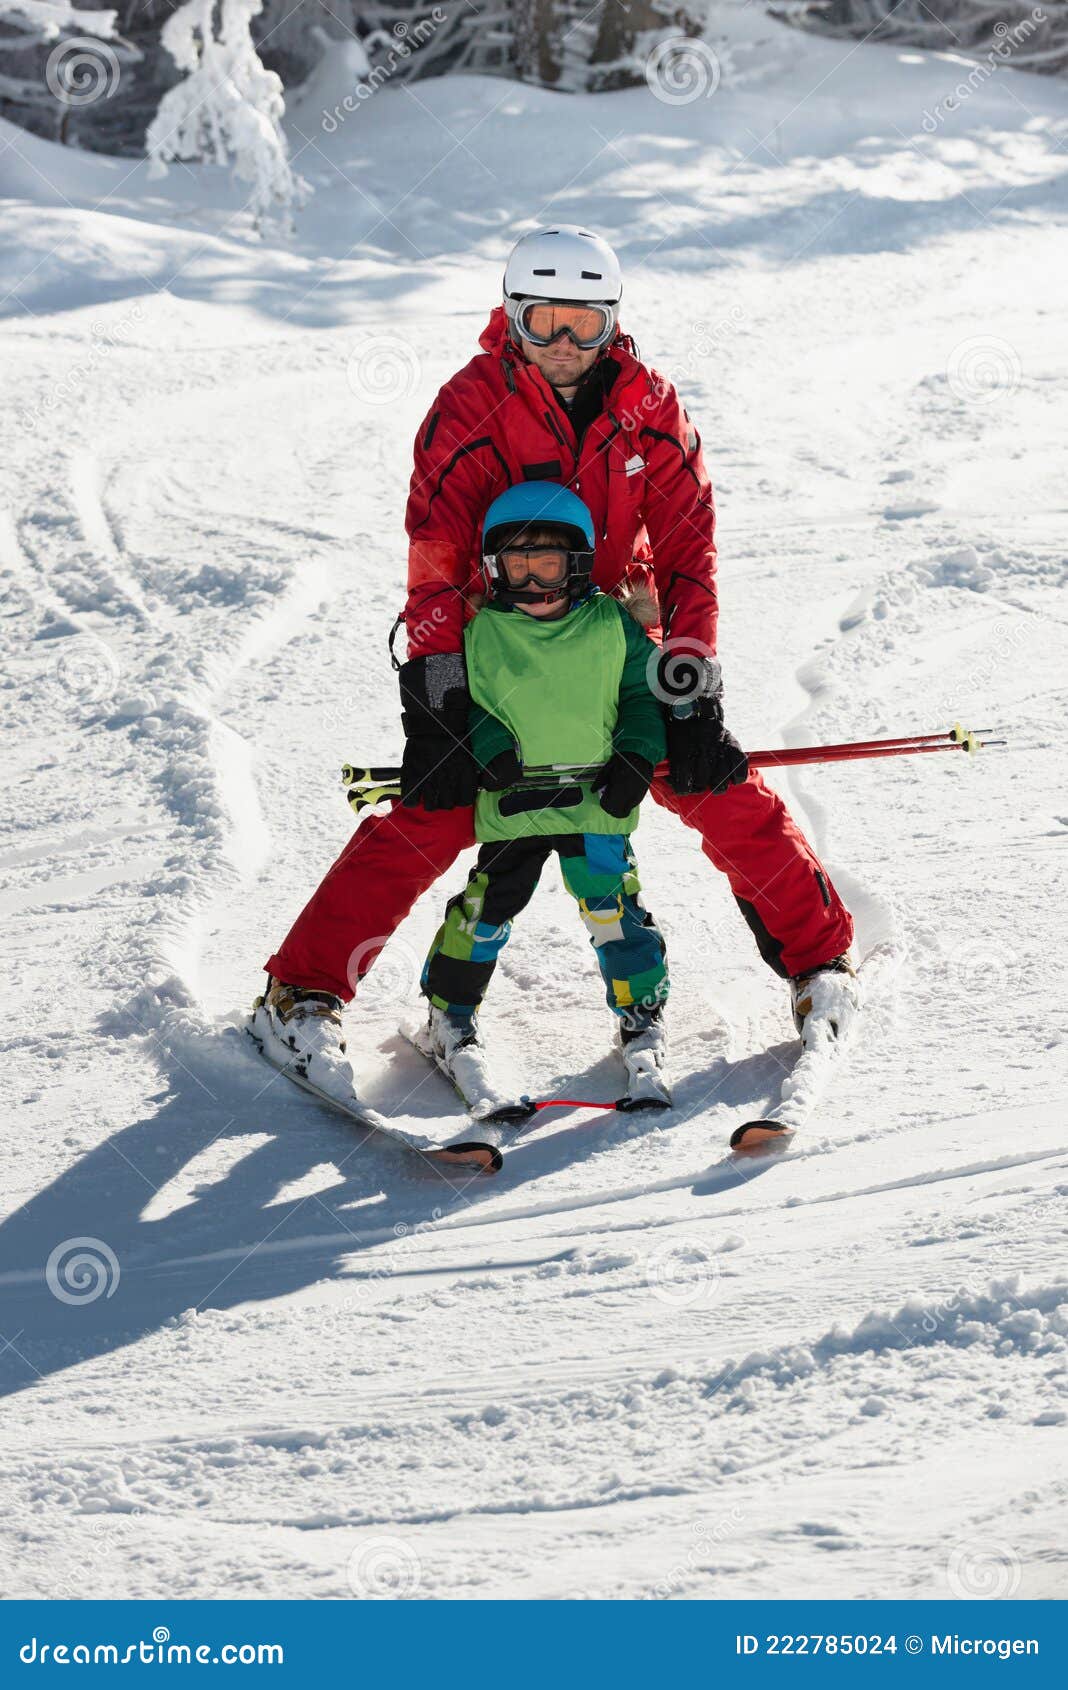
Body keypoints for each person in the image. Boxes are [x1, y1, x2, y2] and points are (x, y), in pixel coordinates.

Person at [257, 225, 857, 1093]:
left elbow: (690, 552)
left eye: (583, 324)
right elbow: (433, 559)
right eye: (544, 324)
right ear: (512, 318)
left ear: (612, 322)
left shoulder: (652, 407)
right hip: (501, 639)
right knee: (439, 806)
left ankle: (820, 960)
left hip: (612, 628)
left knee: (707, 776)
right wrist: (438, 699)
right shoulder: (468, 408)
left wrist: (690, 687)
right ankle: (302, 993)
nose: (564, 347)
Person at [418, 481, 670, 1105]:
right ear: (493, 568)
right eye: (518, 567)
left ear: (578, 565)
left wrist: (637, 753)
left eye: (548, 567)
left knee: (611, 907)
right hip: (512, 807)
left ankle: (642, 1014)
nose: (533, 585)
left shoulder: (611, 622)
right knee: (487, 911)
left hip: (596, 803)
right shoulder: (480, 633)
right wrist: (489, 749)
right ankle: (448, 1013)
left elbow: (643, 694)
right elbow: (465, 707)